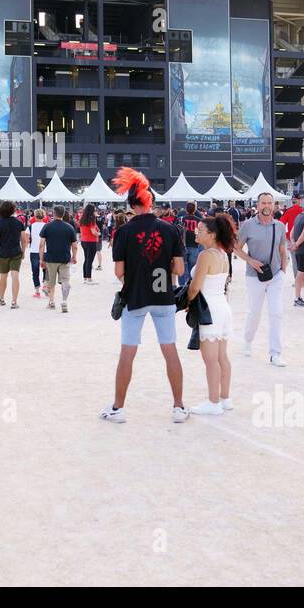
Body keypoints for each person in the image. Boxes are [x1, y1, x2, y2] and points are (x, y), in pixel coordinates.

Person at [101, 168, 188, 424]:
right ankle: (179, 407)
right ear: (150, 201)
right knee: (170, 350)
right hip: (164, 296)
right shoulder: (170, 230)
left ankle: (118, 408)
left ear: (130, 204)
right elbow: (180, 269)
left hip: (135, 296)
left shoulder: (124, 232)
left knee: (127, 351)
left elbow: (119, 271)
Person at [187, 213, 236, 415]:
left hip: (210, 309)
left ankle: (213, 402)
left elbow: (195, 287)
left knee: (210, 360)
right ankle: (224, 398)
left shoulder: (205, 256)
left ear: (212, 235)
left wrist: (187, 301)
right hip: (222, 307)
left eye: (201, 231)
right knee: (222, 357)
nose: (196, 232)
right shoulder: (223, 254)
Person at [236, 193, 288, 366]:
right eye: (263, 203)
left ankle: (275, 353)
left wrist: (283, 270)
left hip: (275, 276)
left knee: (276, 313)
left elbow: (282, 248)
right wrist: (250, 260)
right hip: (254, 276)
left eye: (270, 203)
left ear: (274, 205)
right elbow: (235, 248)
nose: (267, 205)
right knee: (255, 312)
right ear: (257, 205)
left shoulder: (279, 226)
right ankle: (248, 340)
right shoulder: (248, 226)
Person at [39, 205, 78, 313]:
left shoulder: (47, 226)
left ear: (53, 213)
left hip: (51, 258)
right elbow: (74, 245)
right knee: (65, 281)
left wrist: (41, 259)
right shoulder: (69, 227)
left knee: (51, 281)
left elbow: (41, 244)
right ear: (64, 214)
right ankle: (64, 301)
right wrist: (74, 256)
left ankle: (51, 302)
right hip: (65, 258)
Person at [0, 200, 29, 308]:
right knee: (15, 276)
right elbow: (24, 240)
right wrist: (23, 251)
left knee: (3, 277)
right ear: (13, 210)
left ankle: (2, 299)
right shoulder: (19, 222)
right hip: (16, 252)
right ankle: (14, 302)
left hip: (3, 253)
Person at [178, 202, 203, 288]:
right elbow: (199, 233)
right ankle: (191, 285)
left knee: (182, 267)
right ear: (195, 209)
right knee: (192, 268)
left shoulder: (181, 219)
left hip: (183, 246)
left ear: (185, 209)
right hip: (194, 245)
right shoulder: (198, 220)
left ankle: (181, 286)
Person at [78, 204, 102, 284]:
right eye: (94, 209)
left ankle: (85, 277)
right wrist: (99, 234)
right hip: (91, 241)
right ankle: (89, 278)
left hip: (84, 241)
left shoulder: (82, 219)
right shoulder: (91, 219)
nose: (95, 211)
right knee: (90, 260)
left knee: (86, 259)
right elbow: (93, 232)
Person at [27, 208, 47, 298]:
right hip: (45, 250)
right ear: (44, 216)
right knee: (46, 270)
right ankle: (45, 285)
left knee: (35, 272)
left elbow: (27, 238)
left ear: (35, 216)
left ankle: (37, 291)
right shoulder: (47, 226)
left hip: (34, 251)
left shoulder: (31, 226)